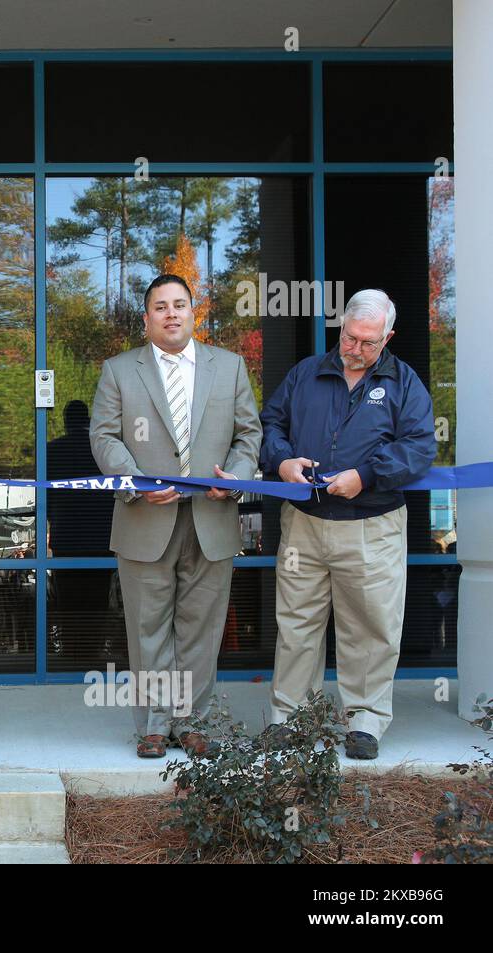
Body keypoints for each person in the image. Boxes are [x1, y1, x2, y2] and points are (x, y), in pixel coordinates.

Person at [90, 274, 261, 758]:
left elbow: (249, 435)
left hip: (212, 516)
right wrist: (138, 482)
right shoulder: (119, 370)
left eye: (179, 305)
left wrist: (235, 477)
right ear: (147, 318)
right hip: (145, 517)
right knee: (147, 628)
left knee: (201, 629)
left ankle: (192, 722)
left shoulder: (229, 367)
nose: (171, 313)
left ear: (193, 312)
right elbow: (103, 437)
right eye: (160, 306)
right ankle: (154, 724)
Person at [261, 289, 436, 759]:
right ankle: (289, 718)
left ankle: (365, 722)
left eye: (367, 342)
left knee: (370, 626)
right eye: (349, 338)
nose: (355, 349)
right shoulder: (305, 373)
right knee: (297, 624)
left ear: (387, 337)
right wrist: (281, 461)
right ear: (341, 327)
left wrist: (367, 475)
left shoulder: (404, 383)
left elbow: (420, 446)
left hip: (372, 523)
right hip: (304, 521)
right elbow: (270, 425)